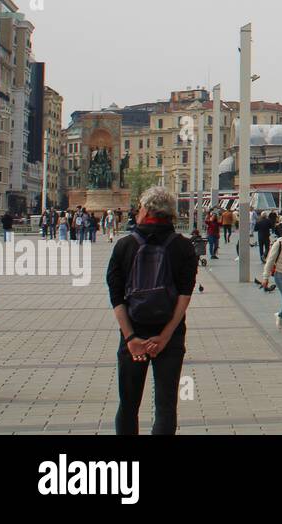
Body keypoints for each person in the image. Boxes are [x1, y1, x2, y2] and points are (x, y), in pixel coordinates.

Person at [105, 186, 197, 435]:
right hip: (170, 337)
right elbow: (184, 296)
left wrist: (131, 338)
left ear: (145, 211)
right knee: (166, 408)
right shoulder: (183, 247)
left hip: (134, 332)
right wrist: (166, 336)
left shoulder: (125, 246)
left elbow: (116, 297)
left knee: (128, 405)